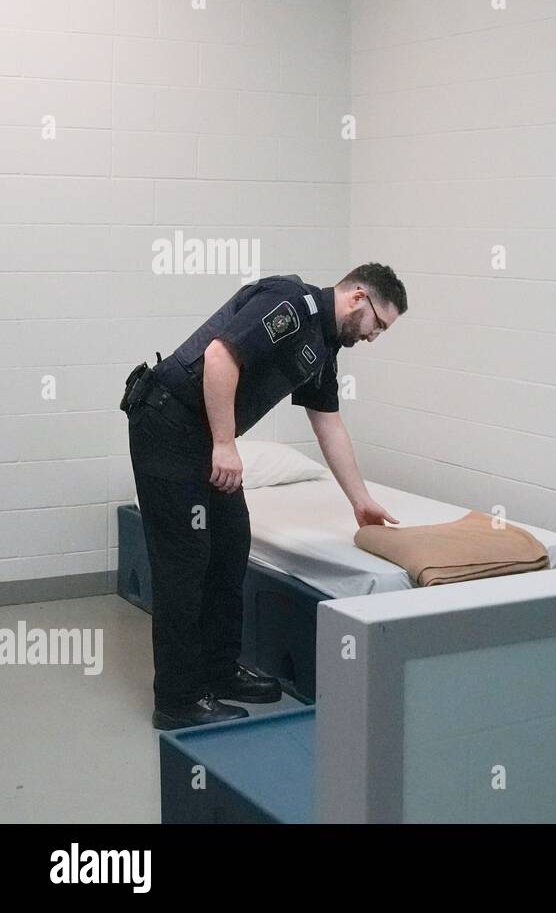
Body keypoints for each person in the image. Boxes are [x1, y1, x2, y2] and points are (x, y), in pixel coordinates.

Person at [120, 263, 408, 729]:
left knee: (231, 545)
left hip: (202, 436)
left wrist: (359, 499)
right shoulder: (291, 303)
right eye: (379, 324)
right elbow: (219, 358)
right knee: (185, 563)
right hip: (170, 427)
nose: (376, 336)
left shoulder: (323, 345)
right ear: (358, 297)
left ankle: (219, 669)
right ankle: (177, 699)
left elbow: (328, 422)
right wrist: (225, 444)